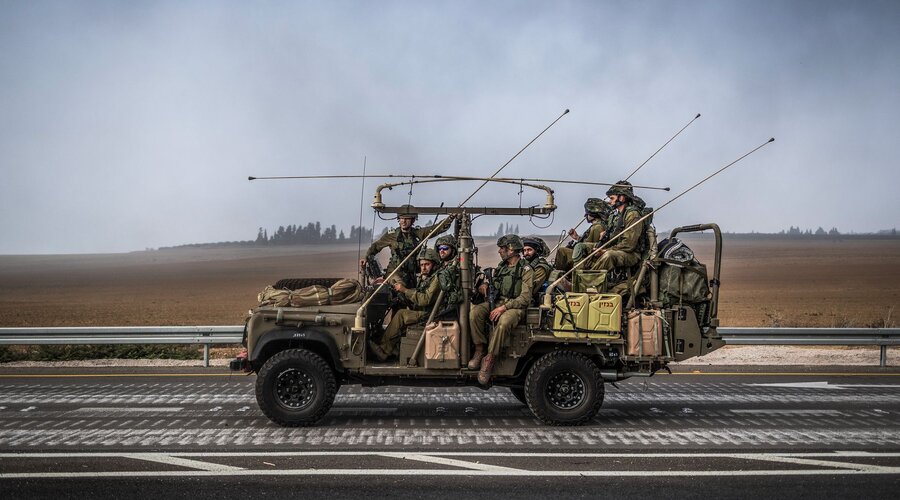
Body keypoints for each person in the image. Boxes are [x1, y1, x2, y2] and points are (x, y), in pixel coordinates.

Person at [468, 234, 533, 385]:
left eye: (502, 249)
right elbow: (494, 286)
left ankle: (490, 358)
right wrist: (484, 287)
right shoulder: (502, 267)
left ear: (511, 250)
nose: (499, 252)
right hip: (497, 302)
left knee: (503, 322)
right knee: (475, 313)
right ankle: (479, 349)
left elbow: (525, 298)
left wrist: (504, 307)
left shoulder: (526, 269)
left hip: (515, 307)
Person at [369, 248, 442, 361]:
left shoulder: (436, 279)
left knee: (401, 314)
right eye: (422, 264)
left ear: (434, 264)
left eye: (427, 264)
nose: (423, 267)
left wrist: (404, 290)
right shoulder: (427, 278)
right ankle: (392, 347)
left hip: (431, 314)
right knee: (400, 307)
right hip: (426, 310)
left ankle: (383, 350)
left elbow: (425, 299)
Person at [361, 206, 450, 288]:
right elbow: (376, 246)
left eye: (407, 218)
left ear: (413, 220)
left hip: (411, 274)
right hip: (395, 272)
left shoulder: (418, 233)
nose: (403, 221)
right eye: (401, 218)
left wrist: (450, 219)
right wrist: (366, 258)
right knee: (400, 287)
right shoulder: (392, 235)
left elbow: (435, 229)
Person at [589, 181, 647, 276]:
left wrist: (605, 251)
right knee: (584, 248)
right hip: (618, 249)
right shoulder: (616, 216)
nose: (610, 201)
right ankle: (576, 276)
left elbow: (629, 245)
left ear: (622, 198)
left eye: (612, 198)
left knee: (609, 256)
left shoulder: (632, 215)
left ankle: (588, 282)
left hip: (632, 254)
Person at [554, 198, 609, 271]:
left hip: (586, 260)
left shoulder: (597, 227)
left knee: (562, 251)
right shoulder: (597, 226)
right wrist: (577, 238)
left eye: (587, 213)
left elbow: (591, 247)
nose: (585, 215)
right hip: (585, 256)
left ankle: (559, 274)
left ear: (593, 214)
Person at [434, 234, 463, 316]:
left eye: (445, 248)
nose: (441, 251)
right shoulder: (439, 265)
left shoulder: (457, 264)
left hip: (451, 304)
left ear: (453, 250)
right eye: (440, 248)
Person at [522, 236, 552, 304]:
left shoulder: (541, 268)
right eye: (524, 250)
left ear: (536, 251)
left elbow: (531, 289)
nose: (526, 253)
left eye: (529, 250)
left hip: (531, 301)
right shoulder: (525, 265)